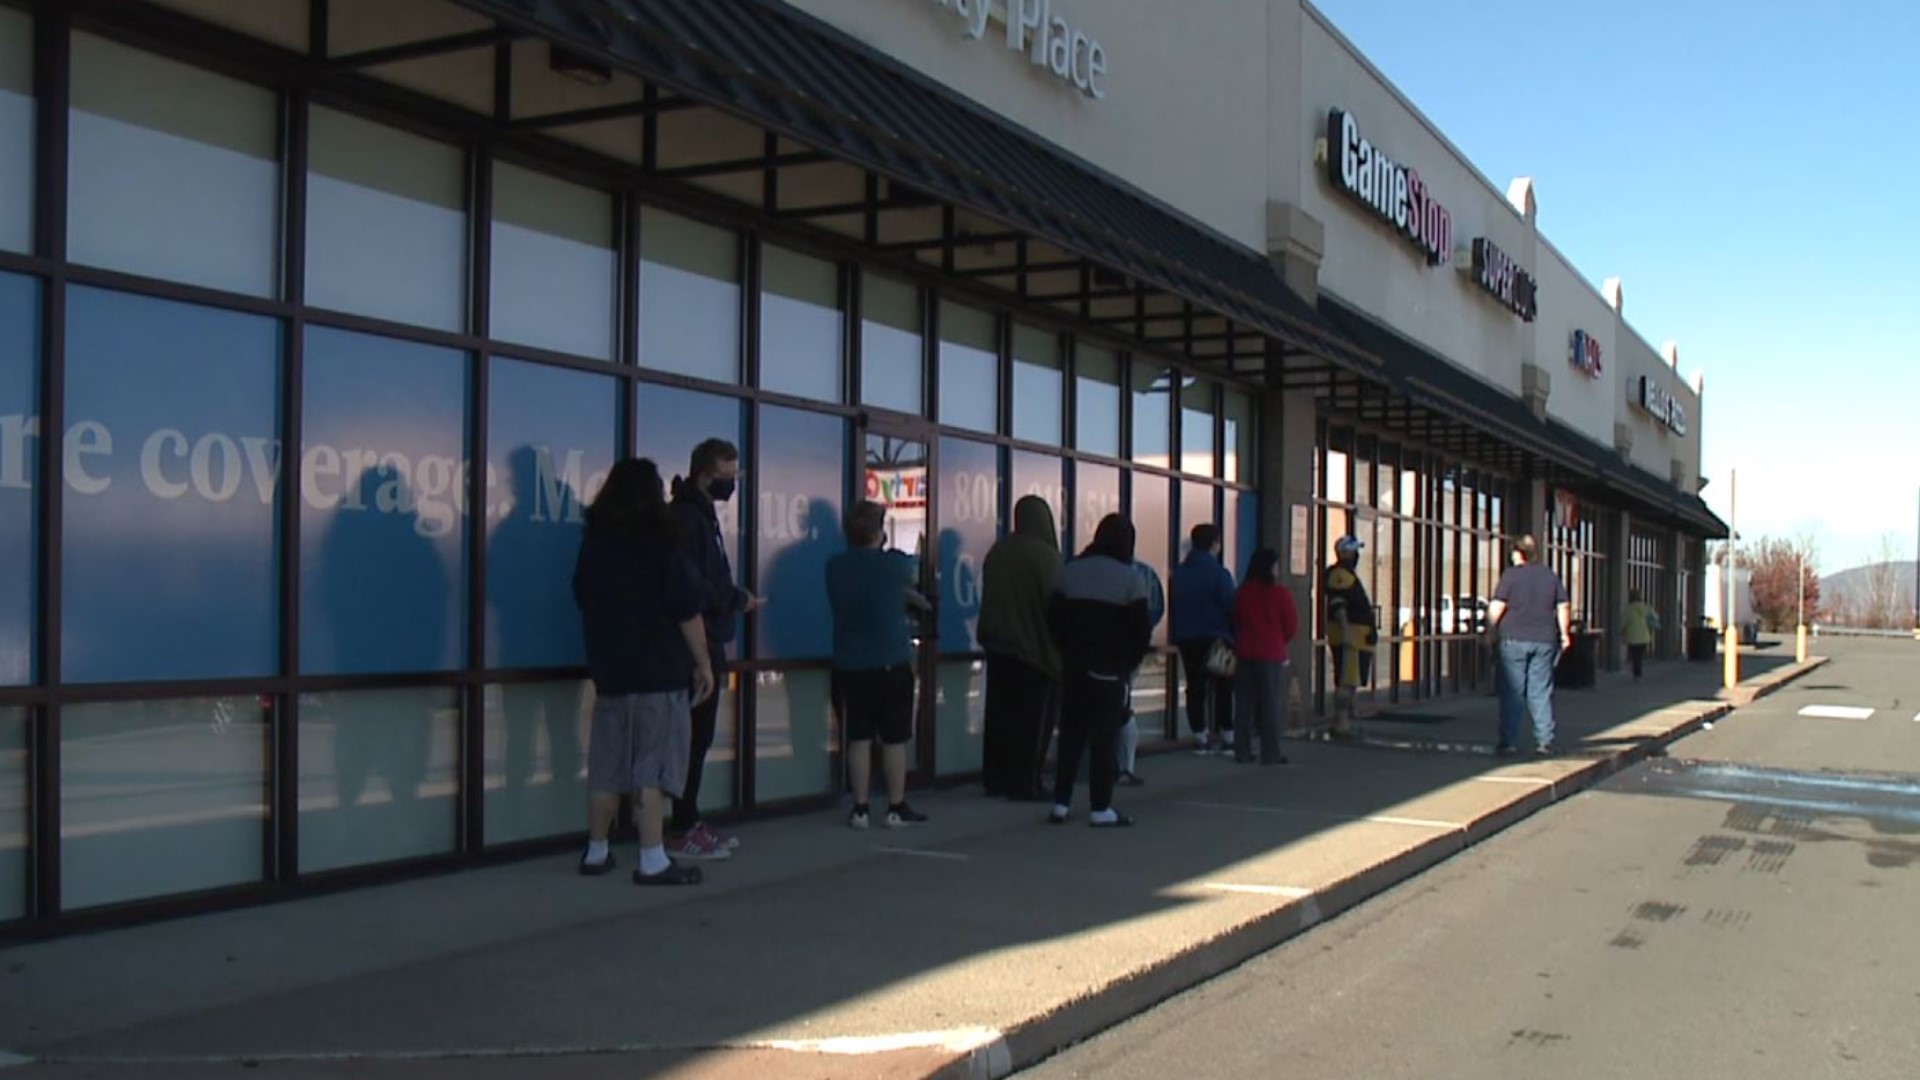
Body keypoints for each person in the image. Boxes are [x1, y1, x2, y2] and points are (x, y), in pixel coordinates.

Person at [573, 458, 715, 886]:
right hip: (659, 673)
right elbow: (687, 610)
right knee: (651, 770)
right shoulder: (662, 546)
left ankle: (596, 852)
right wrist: (704, 663)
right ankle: (652, 859)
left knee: (607, 767)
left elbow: (582, 598)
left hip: (612, 672)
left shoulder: (594, 546)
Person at [667, 437, 763, 861]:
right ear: (705, 474)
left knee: (699, 738)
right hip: (695, 645)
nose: (733, 484)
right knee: (690, 738)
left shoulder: (701, 517)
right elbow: (691, 587)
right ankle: (681, 824)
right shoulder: (688, 520)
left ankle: (688, 817)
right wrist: (731, 599)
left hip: (708, 636)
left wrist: (732, 596)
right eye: (729, 476)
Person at [827, 500, 932, 829]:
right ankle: (895, 805)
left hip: (850, 662)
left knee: (858, 737)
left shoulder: (836, 567)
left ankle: (859, 807)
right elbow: (908, 576)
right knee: (894, 738)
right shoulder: (895, 565)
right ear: (880, 532)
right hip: (890, 661)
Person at [1047, 514, 1152, 827]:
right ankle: (1100, 807)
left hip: (1074, 667)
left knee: (1071, 736)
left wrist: (1067, 652)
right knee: (1103, 739)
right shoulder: (1131, 579)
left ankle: (1061, 803)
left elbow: (1054, 620)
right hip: (1109, 671)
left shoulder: (1070, 571)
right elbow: (1140, 631)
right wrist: (1126, 665)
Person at [977, 495, 1063, 802]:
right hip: (1033, 652)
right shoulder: (1046, 556)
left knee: (999, 715)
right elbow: (1057, 605)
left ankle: (995, 778)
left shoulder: (999, 551)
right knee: (1031, 721)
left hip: (998, 646)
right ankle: (1025, 781)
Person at [1486, 534, 1573, 756]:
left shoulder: (1511, 576)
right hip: (1544, 640)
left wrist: (1488, 632)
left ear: (1518, 552)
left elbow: (1497, 606)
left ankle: (1509, 741)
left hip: (1513, 639)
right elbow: (1563, 606)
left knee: (1513, 691)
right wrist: (1564, 634)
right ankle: (1545, 741)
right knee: (1540, 691)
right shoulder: (1550, 576)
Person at [1170, 523, 1238, 756]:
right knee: (1223, 686)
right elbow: (1231, 606)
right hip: (1217, 638)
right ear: (1215, 543)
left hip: (1187, 637)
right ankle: (1227, 735)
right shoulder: (1220, 574)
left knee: (1195, 687)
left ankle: (1200, 736)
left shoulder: (1179, 573)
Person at [1232, 548, 1298, 765]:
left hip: (1244, 652)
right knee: (1269, 704)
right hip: (1270, 653)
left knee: (1244, 704)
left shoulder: (1243, 592)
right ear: (1270, 568)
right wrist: (1279, 640)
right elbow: (1290, 625)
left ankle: (1242, 750)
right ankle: (1270, 752)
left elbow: (1234, 620)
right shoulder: (1280, 594)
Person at [1116, 558, 1166, 787]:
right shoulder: (1133, 579)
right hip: (1119, 662)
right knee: (1123, 716)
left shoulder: (1078, 573)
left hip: (1085, 659)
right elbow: (1142, 622)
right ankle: (1124, 768)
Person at [1323, 535, 1376, 740]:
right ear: (1344, 553)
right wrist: (1345, 631)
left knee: (1350, 680)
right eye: (1353, 550)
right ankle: (1341, 724)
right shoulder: (1339, 575)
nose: (1356, 555)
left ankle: (1345, 721)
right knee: (1345, 680)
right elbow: (1338, 604)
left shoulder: (1347, 574)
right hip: (1350, 637)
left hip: (1357, 636)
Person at [1621, 589, 1660, 679]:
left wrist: (1622, 631)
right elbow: (1655, 616)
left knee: (1634, 656)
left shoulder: (1628, 609)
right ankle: (1638, 672)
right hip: (1644, 636)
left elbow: (1623, 623)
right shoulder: (1646, 607)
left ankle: (1636, 673)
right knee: (1640, 655)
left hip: (1632, 637)